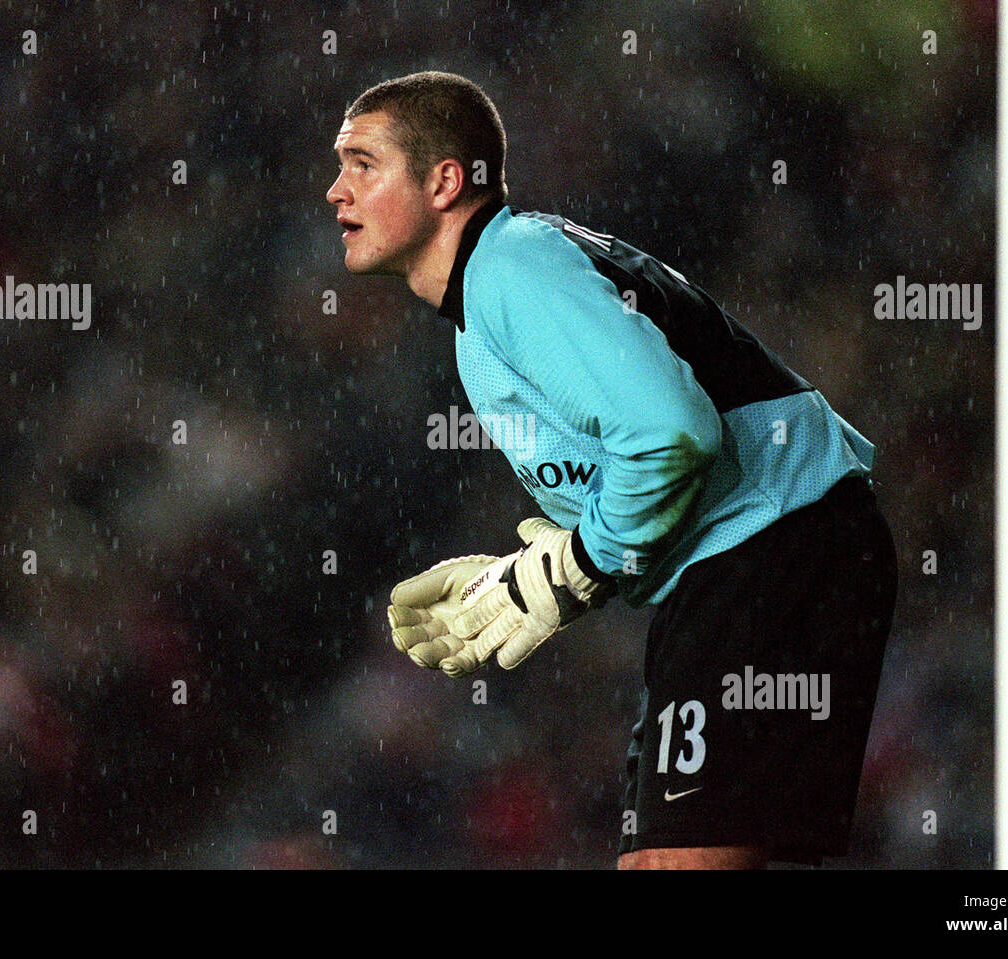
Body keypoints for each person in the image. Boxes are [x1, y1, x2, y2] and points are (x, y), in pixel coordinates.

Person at [326, 71, 898, 869]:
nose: (334, 190)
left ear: (444, 181)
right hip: (752, 559)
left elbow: (673, 434)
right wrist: (532, 573)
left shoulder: (514, 267)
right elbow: (641, 471)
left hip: (774, 543)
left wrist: (575, 568)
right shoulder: (485, 311)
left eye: (362, 164)